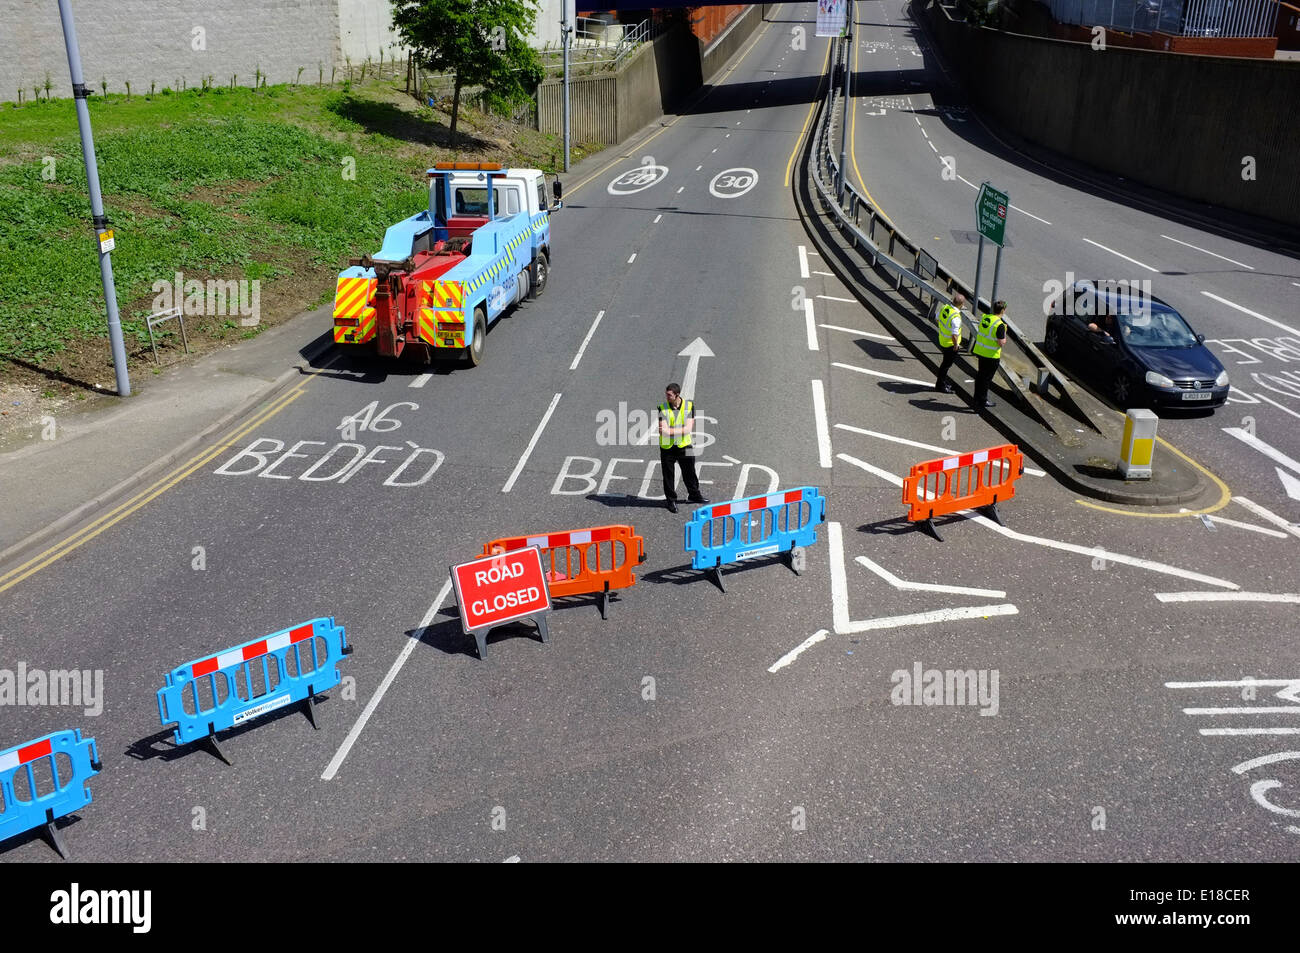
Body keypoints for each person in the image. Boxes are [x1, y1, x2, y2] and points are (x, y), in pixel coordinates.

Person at [658, 383, 708, 514]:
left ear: (677, 395)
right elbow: (663, 431)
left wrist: (670, 431)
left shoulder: (689, 406)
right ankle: (671, 500)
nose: (667, 397)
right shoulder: (662, 408)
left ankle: (694, 495)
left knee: (690, 472)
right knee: (668, 476)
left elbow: (688, 429)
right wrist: (671, 431)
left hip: (685, 445)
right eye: (666, 394)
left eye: (669, 395)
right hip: (667, 447)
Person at [971, 300, 1009, 410]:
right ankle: (982, 400)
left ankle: (976, 398)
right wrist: (1004, 332)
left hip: (981, 351)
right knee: (986, 379)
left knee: (980, 376)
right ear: (1003, 310)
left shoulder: (985, 318)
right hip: (992, 356)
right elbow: (1001, 343)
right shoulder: (1000, 325)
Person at [934, 292, 965, 393]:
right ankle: (940, 385)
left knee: (945, 364)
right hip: (950, 344)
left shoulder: (945, 308)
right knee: (946, 365)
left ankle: (942, 382)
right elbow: (954, 335)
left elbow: (937, 319)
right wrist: (956, 345)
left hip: (942, 340)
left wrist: (943, 330)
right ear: (962, 304)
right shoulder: (956, 317)